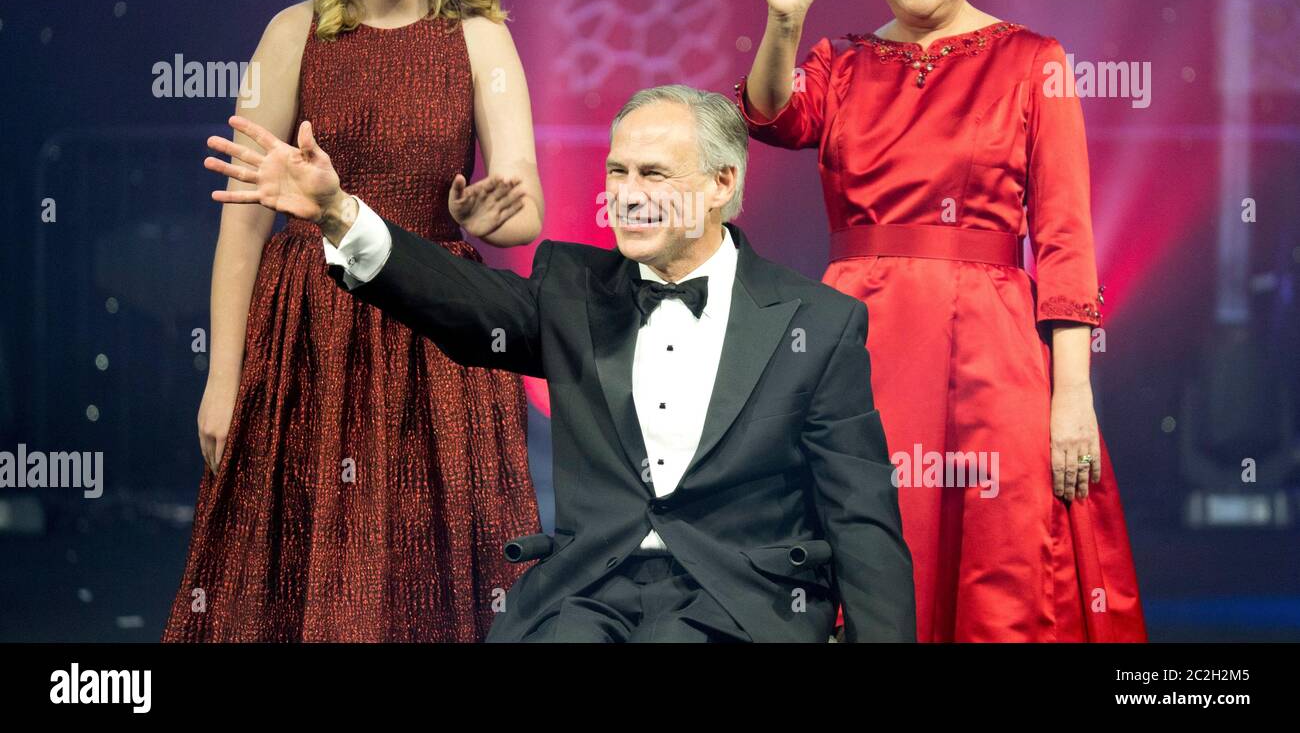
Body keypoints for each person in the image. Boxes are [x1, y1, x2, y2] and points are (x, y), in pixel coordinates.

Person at [200, 84, 917, 643]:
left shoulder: (815, 322)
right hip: (590, 592)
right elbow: (463, 301)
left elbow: (862, 517)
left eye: (655, 174)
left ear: (721, 185)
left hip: (737, 601)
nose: (628, 193)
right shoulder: (574, 288)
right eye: (618, 171)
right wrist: (340, 216)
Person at [733, 0, 1146, 641]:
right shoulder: (842, 63)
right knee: (863, 553)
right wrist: (785, 21)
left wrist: (1073, 395)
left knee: (1000, 567)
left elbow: (1064, 239)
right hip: (856, 347)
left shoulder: (1034, 60)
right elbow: (770, 114)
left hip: (991, 357)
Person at [164, 0, 545, 642]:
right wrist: (222, 377)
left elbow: (528, 207)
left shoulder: (480, 36)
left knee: (427, 568)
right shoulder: (291, 34)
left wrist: (487, 213)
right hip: (306, 332)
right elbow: (242, 225)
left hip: (435, 332)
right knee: (297, 563)